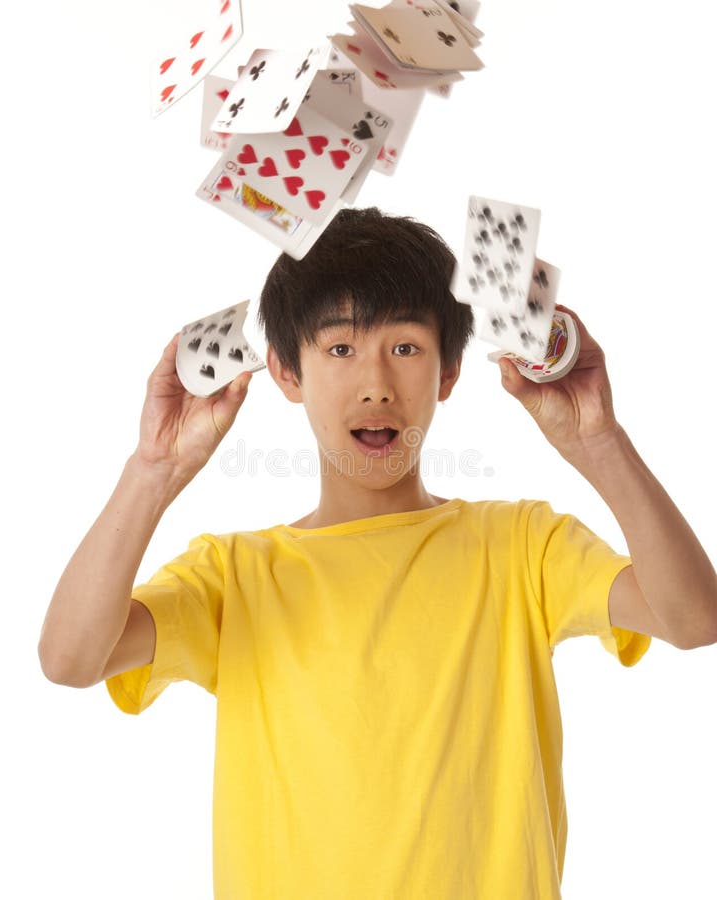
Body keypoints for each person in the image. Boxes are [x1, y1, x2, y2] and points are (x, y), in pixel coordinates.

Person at [38, 207, 717, 899]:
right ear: (285, 372)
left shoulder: (521, 546)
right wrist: (153, 470)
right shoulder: (233, 576)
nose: (376, 385)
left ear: (449, 371)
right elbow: (69, 658)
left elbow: (696, 619)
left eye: (406, 348)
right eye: (340, 349)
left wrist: (600, 443)